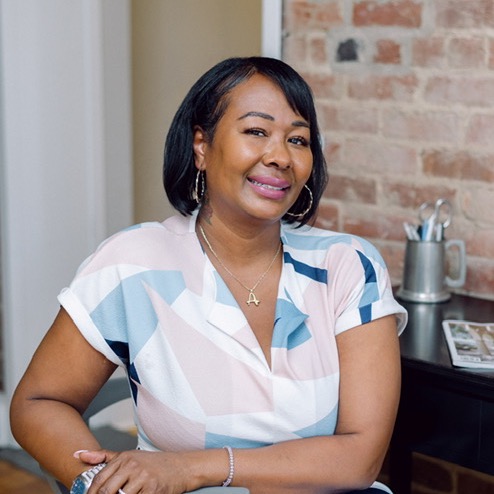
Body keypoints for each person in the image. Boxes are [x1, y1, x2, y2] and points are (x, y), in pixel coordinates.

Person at [10, 56, 407, 494]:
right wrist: (99, 482)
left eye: (298, 139)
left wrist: (191, 468)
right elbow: (39, 402)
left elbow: (360, 459)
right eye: (256, 131)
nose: (280, 157)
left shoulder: (348, 264)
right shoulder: (134, 263)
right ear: (201, 145)